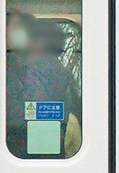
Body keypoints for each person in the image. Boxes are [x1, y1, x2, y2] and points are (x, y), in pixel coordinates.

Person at [5, 11, 81, 158]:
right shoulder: (8, 72)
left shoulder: (43, 66)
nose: (25, 34)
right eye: (18, 27)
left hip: (41, 147)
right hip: (25, 149)